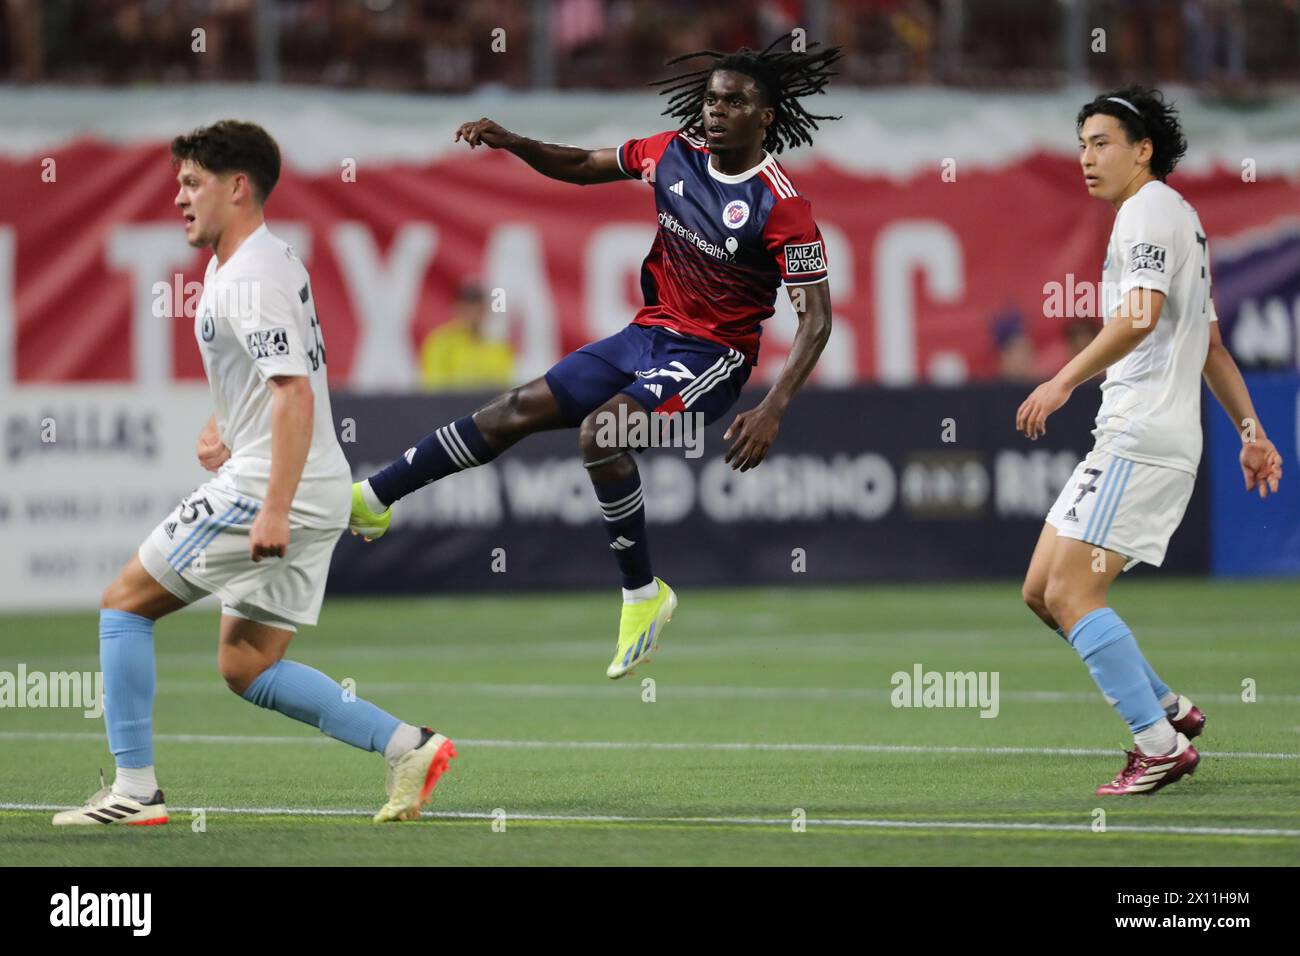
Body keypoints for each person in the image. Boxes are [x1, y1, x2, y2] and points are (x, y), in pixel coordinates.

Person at [349, 39, 840, 679]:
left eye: (735, 101)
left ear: (765, 116)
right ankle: (374, 499)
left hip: (712, 357)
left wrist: (772, 407)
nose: (716, 111)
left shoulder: (783, 207)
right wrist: (513, 141)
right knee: (514, 409)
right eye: (712, 98)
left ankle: (643, 597)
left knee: (600, 435)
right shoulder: (672, 152)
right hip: (646, 335)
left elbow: (817, 318)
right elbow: (583, 163)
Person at [54, 121, 454, 827]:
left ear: (237, 187)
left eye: (190, 183)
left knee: (123, 605)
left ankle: (134, 791)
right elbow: (274, 381)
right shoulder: (260, 262)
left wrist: (272, 506)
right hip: (306, 485)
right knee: (247, 666)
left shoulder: (249, 279)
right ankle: (408, 745)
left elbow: (294, 393)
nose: (178, 198)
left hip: (275, 490)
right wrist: (228, 430)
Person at [1017, 87, 1282, 795]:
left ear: (1143, 150)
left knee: (1074, 590)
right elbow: (1213, 346)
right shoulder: (1180, 217)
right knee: (1042, 592)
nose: (1086, 157)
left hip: (1142, 438)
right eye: (1081, 145)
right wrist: (1252, 432)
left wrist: (1062, 380)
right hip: (1139, 436)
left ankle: (1156, 743)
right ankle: (1166, 706)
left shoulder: (1144, 212)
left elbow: (1139, 318)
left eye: (1101, 142)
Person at [419, 280, 515, 390]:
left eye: (478, 307)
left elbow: (505, 387)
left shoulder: (499, 347)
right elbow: (435, 388)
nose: (473, 313)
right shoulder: (440, 343)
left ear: (486, 310)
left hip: (491, 405)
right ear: (457, 309)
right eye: (468, 307)